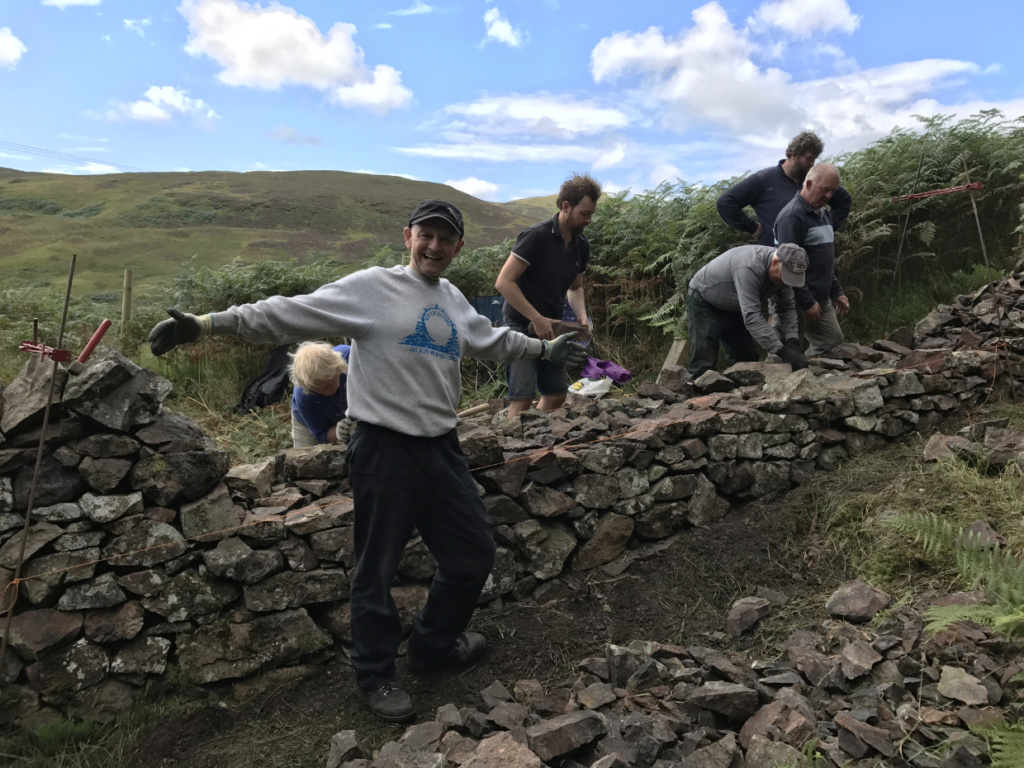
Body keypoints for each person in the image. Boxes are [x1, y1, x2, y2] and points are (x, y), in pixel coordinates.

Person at [147, 199, 587, 723]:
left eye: (446, 239)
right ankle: (375, 675)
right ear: (407, 237)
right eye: (426, 235)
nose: (434, 246)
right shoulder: (371, 288)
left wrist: (544, 352)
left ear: (458, 248)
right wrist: (207, 323)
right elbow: (289, 311)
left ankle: (430, 648)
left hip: (441, 446)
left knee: (472, 555)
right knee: (376, 568)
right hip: (383, 447)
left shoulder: (451, 298)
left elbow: (491, 340)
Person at [495, 173, 601, 418]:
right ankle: (513, 450)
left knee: (555, 394)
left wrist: (582, 316)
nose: (589, 220)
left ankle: (530, 436)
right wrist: (536, 318)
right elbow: (504, 282)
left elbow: (575, 287)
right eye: (584, 213)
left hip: (554, 329)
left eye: (591, 213)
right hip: (520, 325)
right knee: (522, 397)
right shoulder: (536, 236)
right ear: (566, 206)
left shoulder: (581, 245)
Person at [686, 243, 810, 378]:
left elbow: (786, 308)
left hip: (736, 305)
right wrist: (781, 351)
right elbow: (752, 316)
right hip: (705, 301)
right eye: (784, 276)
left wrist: (792, 341)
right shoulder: (749, 266)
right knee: (704, 358)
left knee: (746, 359)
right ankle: (698, 394)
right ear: (775, 262)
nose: (784, 281)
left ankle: (738, 394)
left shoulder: (783, 271)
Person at [716, 131, 852, 246]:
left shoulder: (811, 181)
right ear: (793, 154)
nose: (812, 164)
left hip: (812, 262)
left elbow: (843, 200)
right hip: (775, 262)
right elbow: (725, 202)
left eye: (814, 160)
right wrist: (753, 228)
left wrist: (827, 227)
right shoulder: (764, 180)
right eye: (809, 159)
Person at [774, 163, 850, 356]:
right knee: (784, 353)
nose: (828, 196)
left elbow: (823, 260)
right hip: (793, 301)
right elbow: (789, 266)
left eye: (833, 191)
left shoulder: (823, 214)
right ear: (808, 184)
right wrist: (806, 302)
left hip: (821, 297)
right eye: (824, 190)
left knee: (832, 341)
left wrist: (836, 292)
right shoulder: (792, 217)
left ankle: (807, 375)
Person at [288, 341, 352, 447]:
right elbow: (320, 433)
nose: (326, 393)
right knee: (304, 459)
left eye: (328, 385)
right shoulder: (303, 396)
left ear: (338, 368)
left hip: (348, 407)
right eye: (318, 390)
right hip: (308, 420)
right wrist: (337, 432)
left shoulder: (352, 357)